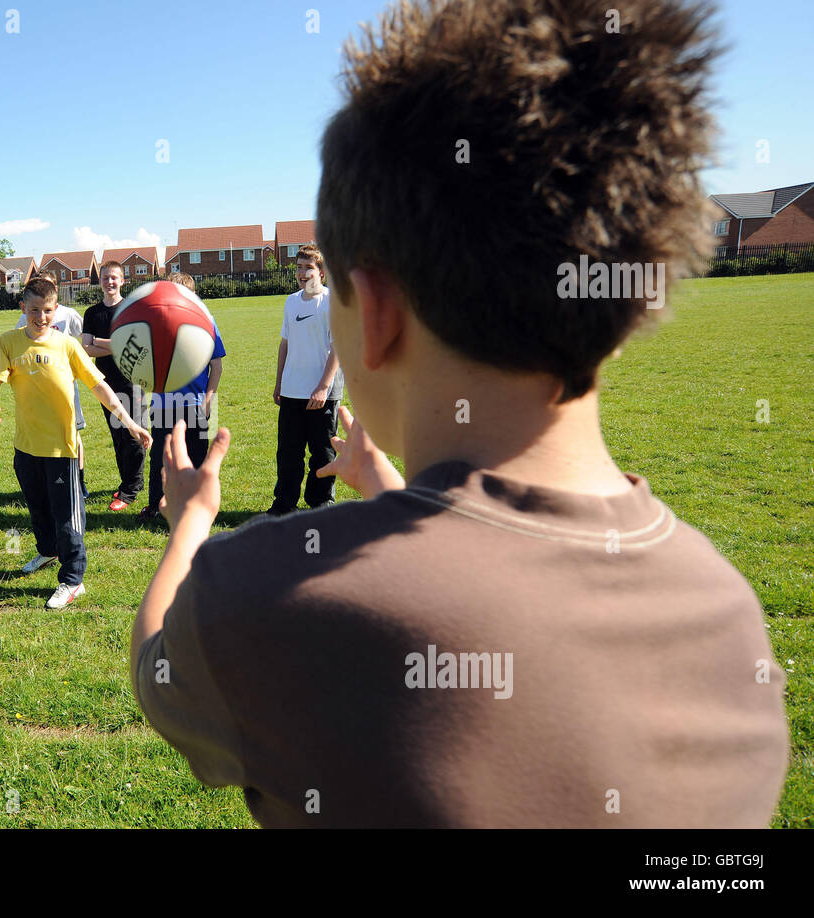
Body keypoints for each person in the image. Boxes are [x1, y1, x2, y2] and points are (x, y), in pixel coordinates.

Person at [132, 0, 788, 827]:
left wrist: (191, 522)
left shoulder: (271, 591)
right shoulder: (727, 618)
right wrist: (394, 493)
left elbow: (158, 670)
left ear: (375, 312)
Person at [0, 277, 151, 609]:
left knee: (68, 516)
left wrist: (130, 422)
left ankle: (73, 580)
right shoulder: (9, 342)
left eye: (47, 310)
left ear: (56, 309)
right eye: (34, 310)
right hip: (25, 447)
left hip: (62, 449)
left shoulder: (68, 345)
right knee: (38, 508)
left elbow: (100, 387)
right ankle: (48, 551)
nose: (41, 317)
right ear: (23, 308)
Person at [140, 273, 224, 523]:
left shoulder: (206, 321)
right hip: (163, 405)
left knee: (196, 458)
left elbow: (216, 367)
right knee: (161, 458)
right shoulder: (156, 323)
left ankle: (195, 506)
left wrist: (208, 400)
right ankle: (157, 506)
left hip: (196, 404)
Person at [268, 243, 343, 515]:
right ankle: (284, 503)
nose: (302, 273)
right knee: (288, 452)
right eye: (298, 267)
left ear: (321, 272)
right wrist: (279, 382)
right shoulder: (291, 301)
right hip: (292, 390)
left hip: (323, 393)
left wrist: (323, 387)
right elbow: (285, 344)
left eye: (308, 268)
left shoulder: (333, 302)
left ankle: (321, 502)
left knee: (323, 452)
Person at [81, 260, 146, 510]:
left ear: (122, 280)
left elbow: (136, 345)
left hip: (132, 380)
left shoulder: (132, 309)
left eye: (114, 277)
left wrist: (100, 341)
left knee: (133, 435)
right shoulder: (92, 313)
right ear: (100, 281)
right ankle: (129, 482)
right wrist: (117, 343)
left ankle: (130, 491)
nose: (110, 282)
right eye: (105, 277)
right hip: (104, 383)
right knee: (118, 435)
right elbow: (86, 349)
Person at [18, 270, 88, 497]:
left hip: (65, 385)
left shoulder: (68, 314)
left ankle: (78, 480)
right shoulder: (26, 317)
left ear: (55, 291)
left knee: (73, 432)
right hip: (37, 386)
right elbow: (19, 341)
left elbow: (84, 337)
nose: (41, 315)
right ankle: (46, 482)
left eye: (47, 286)